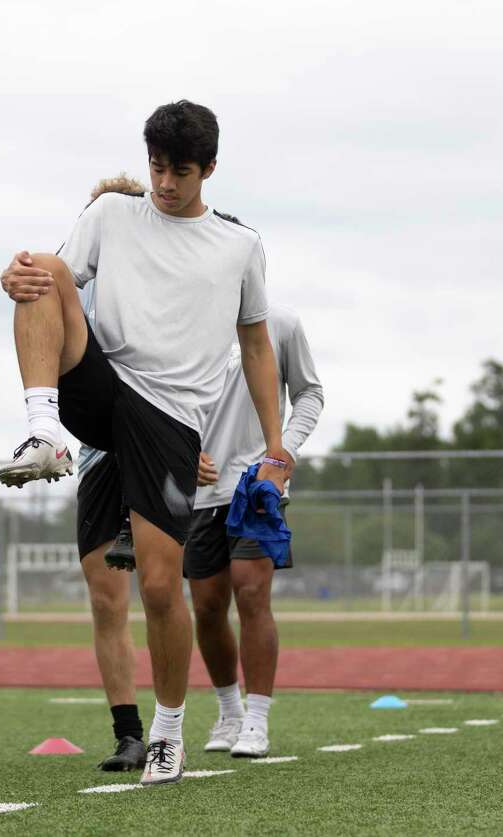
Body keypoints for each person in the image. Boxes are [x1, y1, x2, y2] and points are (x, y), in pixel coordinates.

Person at [0, 100, 291, 785]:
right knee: (42, 262)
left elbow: (255, 344)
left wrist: (275, 444)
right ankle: (42, 427)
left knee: (161, 586)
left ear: (209, 169)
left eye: (179, 172)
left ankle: (167, 732)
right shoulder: (110, 215)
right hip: (104, 389)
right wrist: (16, 280)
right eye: (156, 166)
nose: (163, 183)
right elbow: (54, 283)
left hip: (170, 417)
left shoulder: (240, 244)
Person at [188, 304, 323, 759]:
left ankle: (257, 720)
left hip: (255, 485)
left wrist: (283, 451)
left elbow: (310, 393)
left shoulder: (281, 323)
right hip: (196, 492)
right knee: (207, 607)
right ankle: (229, 710)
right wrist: (180, 452)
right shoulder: (180, 321)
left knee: (251, 593)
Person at [70, 173, 149, 773]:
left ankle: (218, 711)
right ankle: (129, 732)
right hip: (99, 456)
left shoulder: (162, 283)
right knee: (106, 602)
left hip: (161, 445)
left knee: (180, 592)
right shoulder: (70, 293)